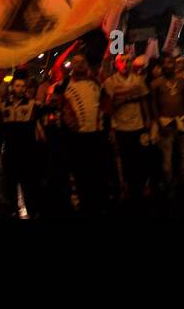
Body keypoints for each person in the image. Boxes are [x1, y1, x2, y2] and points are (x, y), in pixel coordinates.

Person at [102, 52, 154, 204]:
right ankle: (128, 190)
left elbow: (144, 101)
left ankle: (142, 186)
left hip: (138, 125)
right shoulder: (110, 82)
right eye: (122, 61)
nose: (126, 64)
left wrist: (148, 119)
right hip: (121, 128)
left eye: (129, 61)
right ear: (117, 64)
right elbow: (108, 108)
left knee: (141, 159)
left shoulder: (138, 80)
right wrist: (125, 98)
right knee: (125, 161)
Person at [61, 52, 106, 214]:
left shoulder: (95, 81)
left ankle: (98, 203)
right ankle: (85, 205)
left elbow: (104, 103)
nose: (79, 64)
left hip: (96, 135)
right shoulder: (65, 84)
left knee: (97, 172)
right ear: (71, 65)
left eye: (82, 61)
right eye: (76, 62)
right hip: (77, 138)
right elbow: (60, 107)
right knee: (81, 174)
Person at [0, 73, 42, 216]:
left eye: (23, 86)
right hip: (10, 153)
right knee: (10, 187)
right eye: (17, 86)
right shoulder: (3, 107)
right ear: (12, 87)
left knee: (29, 187)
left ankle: (33, 212)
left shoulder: (33, 105)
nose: (20, 89)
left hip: (27, 152)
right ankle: (13, 212)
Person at [150, 54, 184, 190]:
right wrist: (159, 124)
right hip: (165, 124)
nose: (168, 65)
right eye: (165, 63)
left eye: (171, 62)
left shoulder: (183, 82)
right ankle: (169, 186)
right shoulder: (156, 83)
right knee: (166, 160)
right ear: (162, 66)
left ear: (175, 65)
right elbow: (154, 105)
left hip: (181, 121)